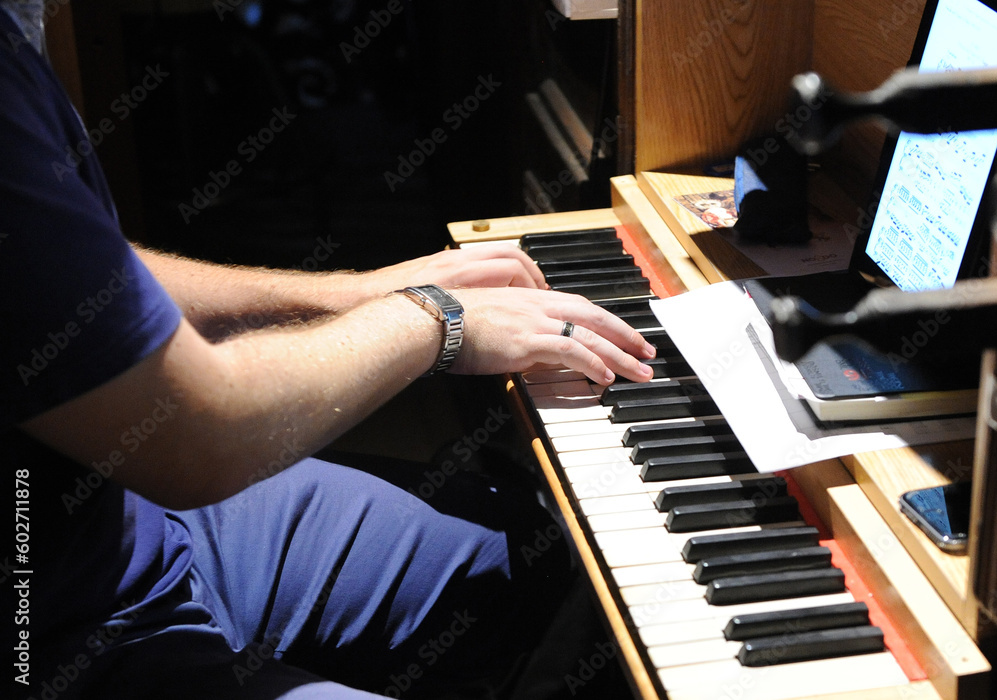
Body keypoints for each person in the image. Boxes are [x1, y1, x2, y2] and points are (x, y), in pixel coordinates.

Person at [2, 4, 656, 699]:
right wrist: (433, 321)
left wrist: (355, 293)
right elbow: (196, 432)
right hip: (51, 638)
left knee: (533, 560)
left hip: (135, 528)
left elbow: (81, 274)